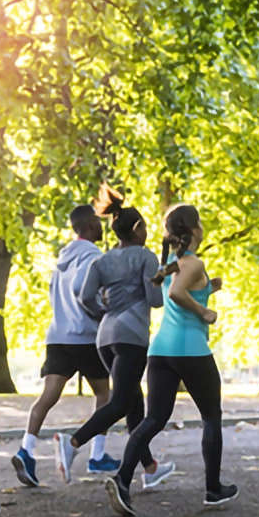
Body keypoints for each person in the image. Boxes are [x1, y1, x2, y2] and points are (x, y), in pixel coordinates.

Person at [105, 203, 238, 517]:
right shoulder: (191, 262)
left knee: (154, 419)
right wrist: (205, 311)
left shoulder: (170, 263)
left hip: (160, 351)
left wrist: (210, 289)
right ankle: (214, 489)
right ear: (192, 231)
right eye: (200, 224)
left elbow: (177, 288)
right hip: (191, 350)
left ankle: (122, 480)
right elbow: (178, 294)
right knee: (211, 417)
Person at [53, 184, 174, 490]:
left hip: (105, 338)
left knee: (134, 405)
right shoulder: (145, 257)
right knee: (121, 401)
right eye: (145, 227)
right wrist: (158, 279)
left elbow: (85, 295)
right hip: (132, 336)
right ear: (137, 229)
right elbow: (155, 301)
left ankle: (150, 469)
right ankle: (73, 443)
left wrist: (101, 310)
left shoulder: (102, 260)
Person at [11, 205, 118, 487]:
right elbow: (85, 292)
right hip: (85, 336)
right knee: (105, 395)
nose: (101, 226)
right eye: (98, 221)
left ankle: (27, 449)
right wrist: (99, 312)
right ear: (91, 225)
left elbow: (55, 295)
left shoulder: (62, 261)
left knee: (47, 397)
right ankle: (97, 454)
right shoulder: (94, 257)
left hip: (58, 335)